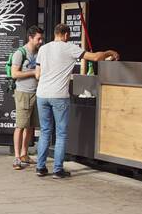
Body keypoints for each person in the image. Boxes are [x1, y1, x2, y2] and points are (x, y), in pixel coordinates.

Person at [35, 24, 118, 178]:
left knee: (45, 131)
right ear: (66, 35)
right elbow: (95, 57)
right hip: (59, 95)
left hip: (42, 94)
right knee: (61, 134)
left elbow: (38, 74)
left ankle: (40, 168)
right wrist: (109, 52)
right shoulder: (69, 48)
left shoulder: (43, 49)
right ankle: (58, 170)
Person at [10, 24, 43, 170]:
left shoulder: (39, 53)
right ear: (30, 38)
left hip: (37, 92)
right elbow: (14, 74)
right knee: (21, 126)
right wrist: (33, 73)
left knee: (31, 126)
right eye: (38, 39)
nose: (41, 41)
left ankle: (24, 154)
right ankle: (17, 157)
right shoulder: (20, 53)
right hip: (23, 93)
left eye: (41, 38)